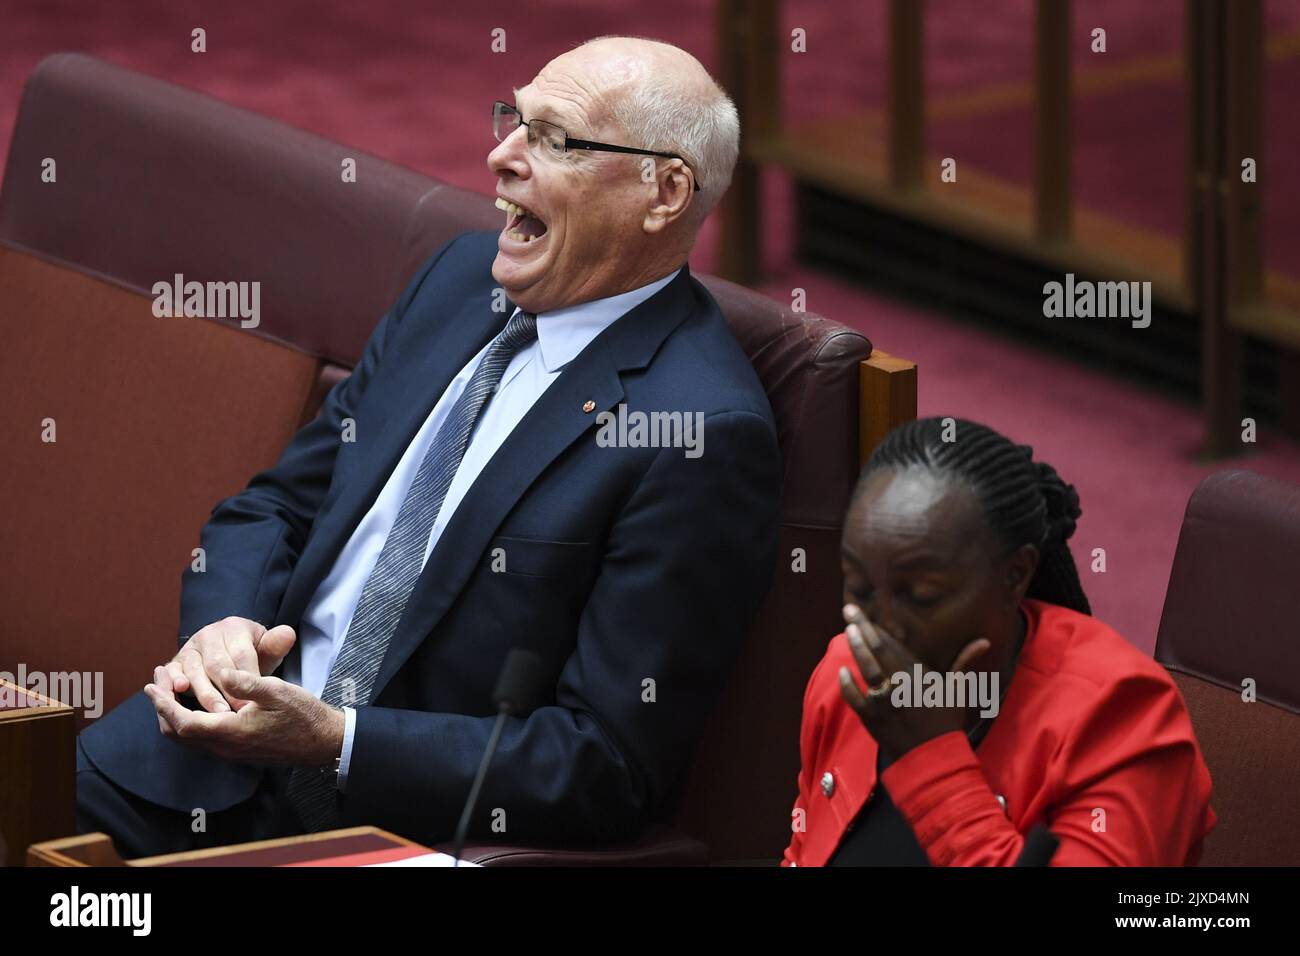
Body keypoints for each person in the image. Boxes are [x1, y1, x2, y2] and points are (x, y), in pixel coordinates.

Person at [77, 36, 782, 858]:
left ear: (663, 193)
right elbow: (276, 505)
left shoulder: (698, 432)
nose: (501, 154)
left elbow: (606, 764)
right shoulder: (458, 282)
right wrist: (223, 630)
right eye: (514, 118)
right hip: (198, 764)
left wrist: (334, 739)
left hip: (389, 834)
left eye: (555, 140)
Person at [782, 417, 1214, 866]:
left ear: (1014, 575)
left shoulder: (1123, 719)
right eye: (859, 588)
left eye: (923, 597)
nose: (883, 628)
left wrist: (929, 760)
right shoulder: (847, 674)